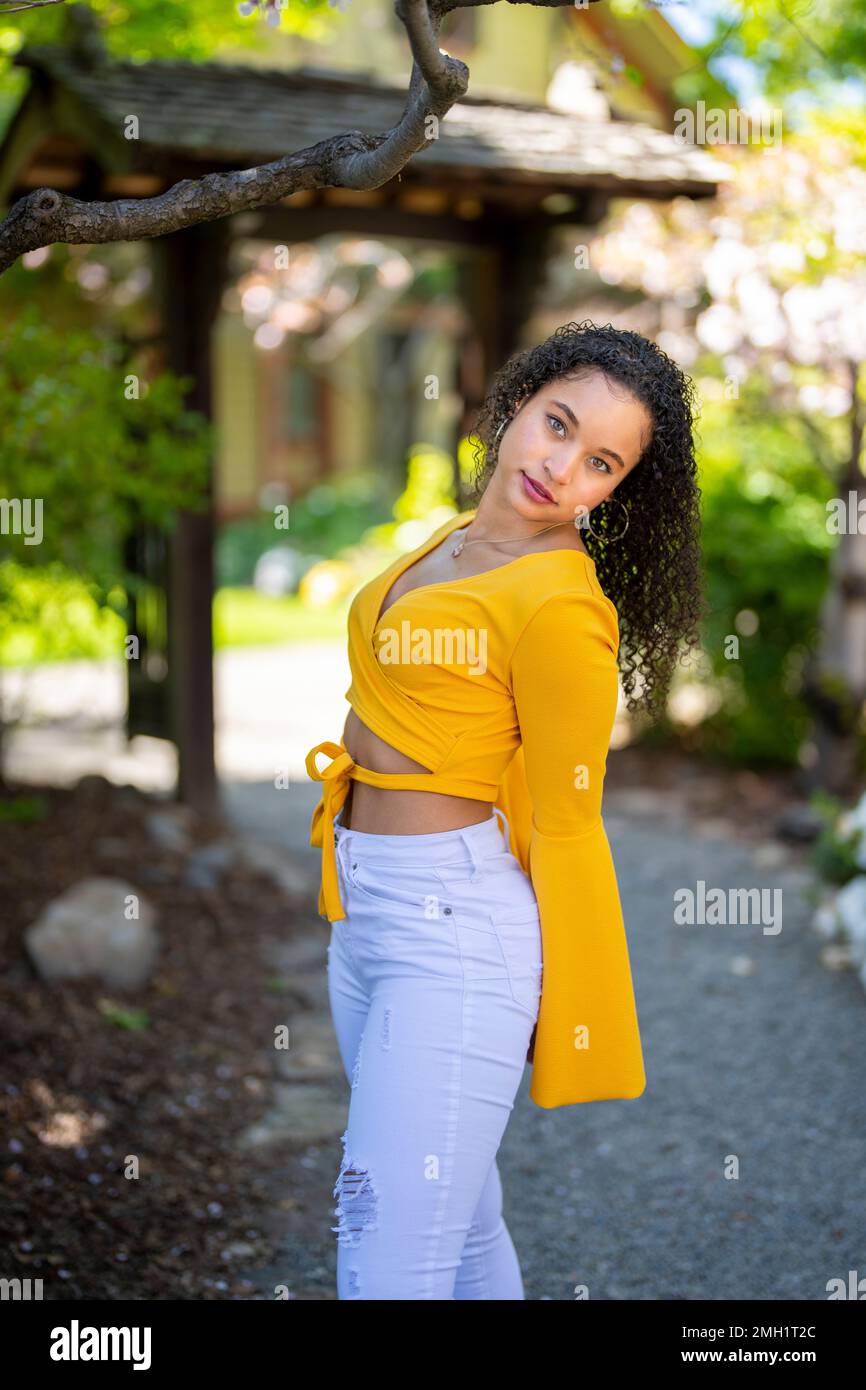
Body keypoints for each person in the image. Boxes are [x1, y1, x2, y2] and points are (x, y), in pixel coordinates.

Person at [306, 319, 705, 1299]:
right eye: (556, 424)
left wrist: (564, 1004)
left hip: (454, 942)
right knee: (463, 1228)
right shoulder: (450, 538)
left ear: (616, 489)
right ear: (516, 401)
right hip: (364, 917)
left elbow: (567, 818)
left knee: (381, 1249)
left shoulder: (563, 609)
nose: (560, 465)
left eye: (599, 461)